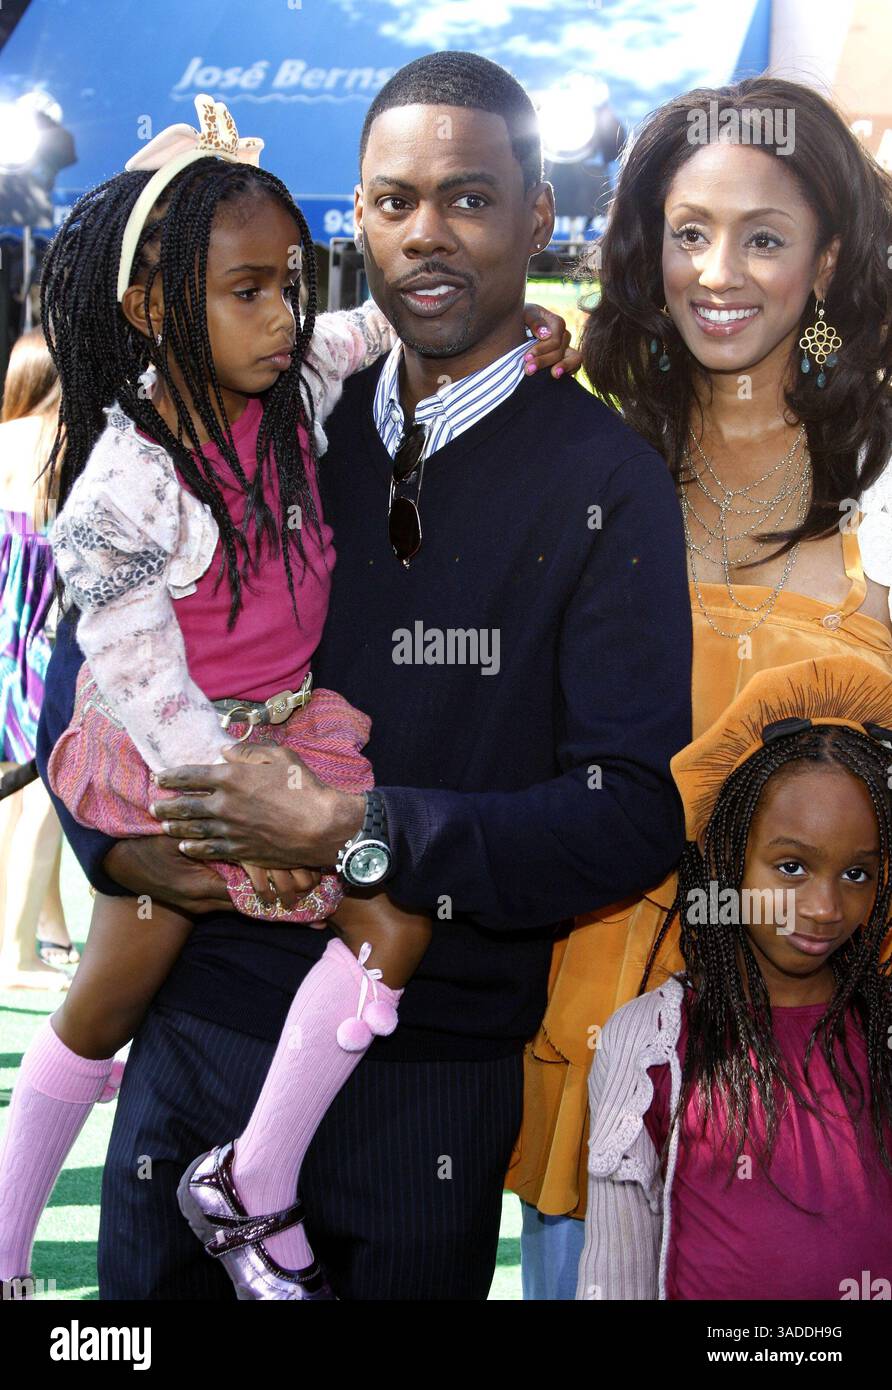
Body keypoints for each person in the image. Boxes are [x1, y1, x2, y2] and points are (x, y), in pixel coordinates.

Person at [34, 51, 692, 1301]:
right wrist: (128, 852)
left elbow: (629, 812)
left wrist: (362, 831)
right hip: (203, 1027)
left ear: (539, 216)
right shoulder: (268, 397)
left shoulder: (607, 477)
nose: (425, 234)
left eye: (469, 198)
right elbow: (99, 662)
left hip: (424, 1076)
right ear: (357, 216)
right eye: (392, 202)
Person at [508, 76, 892, 1299]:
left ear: (826, 263)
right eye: (687, 232)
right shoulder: (591, 454)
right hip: (599, 1026)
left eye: (763, 236)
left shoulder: (881, 475)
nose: (716, 271)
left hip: (826, 1065)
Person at [577, 655, 892, 1299]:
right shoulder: (646, 1045)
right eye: (792, 867)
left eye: (856, 874)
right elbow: (615, 1281)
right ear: (726, 858)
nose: (826, 908)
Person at [0, 327, 76, 989]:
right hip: (42, 639)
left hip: (5, 635)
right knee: (45, 798)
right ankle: (16, 953)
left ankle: (34, 935)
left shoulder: (6, 436)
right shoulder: (64, 441)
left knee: (12, 798)